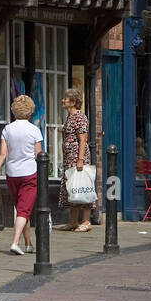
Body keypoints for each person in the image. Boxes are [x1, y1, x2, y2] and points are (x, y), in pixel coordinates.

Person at [0, 94, 43, 256]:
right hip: (29, 173)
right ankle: (15, 242)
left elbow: (2, 153)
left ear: (14, 111)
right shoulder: (34, 130)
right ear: (30, 112)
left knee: (22, 209)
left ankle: (28, 244)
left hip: (12, 174)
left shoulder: (7, 129)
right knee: (23, 210)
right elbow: (39, 155)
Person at [59, 87, 94, 232]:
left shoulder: (80, 117)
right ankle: (73, 221)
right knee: (72, 188)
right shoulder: (70, 117)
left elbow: (83, 139)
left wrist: (80, 160)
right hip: (69, 159)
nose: (63, 100)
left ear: (73, 102)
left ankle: (86, 222)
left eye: (66, 99)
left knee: (83, 187)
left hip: (78, 158)